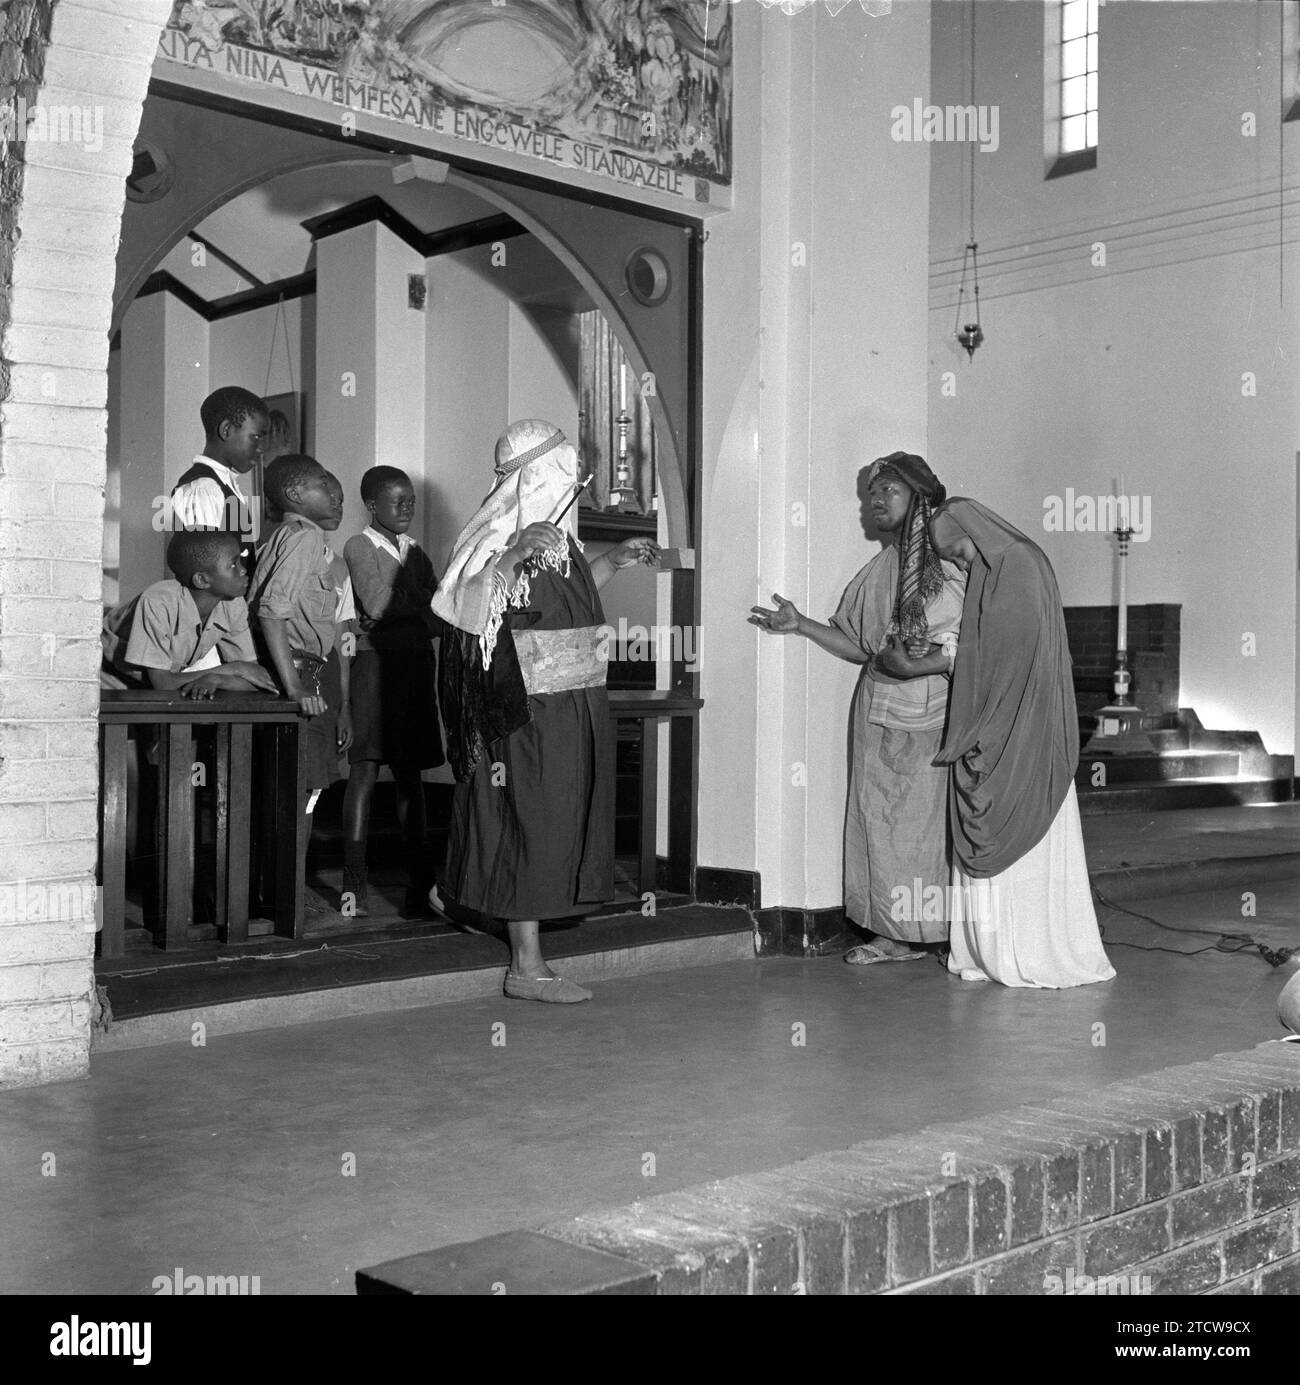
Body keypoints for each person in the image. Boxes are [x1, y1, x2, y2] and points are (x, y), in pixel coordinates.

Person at [433, 419, 659, 1002]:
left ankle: (457, 894)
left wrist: (615, 560)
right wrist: (508, 557)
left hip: (575, 702)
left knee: (554, 818)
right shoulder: (496, 539)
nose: (575, 482)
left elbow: (570, 600)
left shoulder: (559, 538)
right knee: (527, 820)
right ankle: (525, 968)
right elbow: (463, 607)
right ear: (536, 475)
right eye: (564, 470)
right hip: (525, 710)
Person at [750, 452, 965, 963]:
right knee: (880, 823)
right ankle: (894, 935)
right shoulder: (879, 569)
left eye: (888, 490)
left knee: (927, 826)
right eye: (872, 493)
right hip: (876, 714)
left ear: (920, 497)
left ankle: (937, 933)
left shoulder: (954, 563)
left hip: (931, 718)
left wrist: (927, 663)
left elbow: (970, 644)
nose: (875, 501)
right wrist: (799, 624)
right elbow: (858, 644)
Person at [928, 497, 1116, 988]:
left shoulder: (1017, 564)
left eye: (959, 554)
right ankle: (988, 952)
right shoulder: (1001, 565)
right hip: (1000, 725)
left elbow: (1008, 660)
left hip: (1020, 732)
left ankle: (1025, 951)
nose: (959, 565)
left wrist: (950, 661)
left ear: (976, 531)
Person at [247, 454, 354, 886]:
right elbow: (273, 612)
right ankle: (286, 897)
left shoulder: (281, 536)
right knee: (301, 795)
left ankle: (274, 893)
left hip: (303, 671)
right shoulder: (305, 539)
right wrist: (293, 686)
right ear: (295, 495)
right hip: (299, 674)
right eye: (325, 488)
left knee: (292, 794)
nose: (335, 498)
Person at [341, 466, 444, 918]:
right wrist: (416, 608)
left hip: (415, 668)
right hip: (376, 668)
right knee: (365, 770)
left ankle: (419, 888)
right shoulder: (358, 546)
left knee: (410, 776)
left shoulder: (415, 551)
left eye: (411, 501)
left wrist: (405, 612)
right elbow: (377, 602)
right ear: (372, 506)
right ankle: (354, 884)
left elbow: (442, 614)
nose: (406, 508)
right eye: (396, 501)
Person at [101, 530, 275, 697]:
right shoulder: (157, 603)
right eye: (233, 564)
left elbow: (255, 677)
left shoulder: (232, 603)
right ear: (202, 580)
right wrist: (235, 669)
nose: (243, 570)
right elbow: (163, 684)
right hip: (103, 680)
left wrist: (218, 679)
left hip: (150, 688)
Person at [168, 386, 269, 561]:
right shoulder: (203, 489)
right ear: (227, 430)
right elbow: (207, 567)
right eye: (256, 437)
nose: (262, 449)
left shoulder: (224, 484)